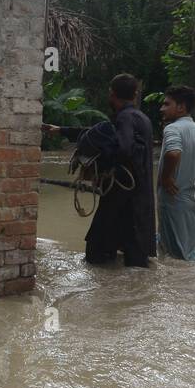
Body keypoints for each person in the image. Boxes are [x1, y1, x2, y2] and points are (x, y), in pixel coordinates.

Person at [44, 73, 156, 267]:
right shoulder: (141, 117)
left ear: (112, 94)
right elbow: (103, 133)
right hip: (138, 195)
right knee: (135, 253)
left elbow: (123, 147)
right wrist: (62, 130)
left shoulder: (125, 118)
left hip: (120, 193)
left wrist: (103, 165)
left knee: (95, 252)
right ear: (135, 95)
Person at [157, 84, 195, 261]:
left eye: (167, 104)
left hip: (176, 196)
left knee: (176, 254)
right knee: (190, 242)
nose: (162, 109)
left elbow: (173, 153)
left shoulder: (173, 129)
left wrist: (165, 178)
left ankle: (182, 286)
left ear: (181, 107)